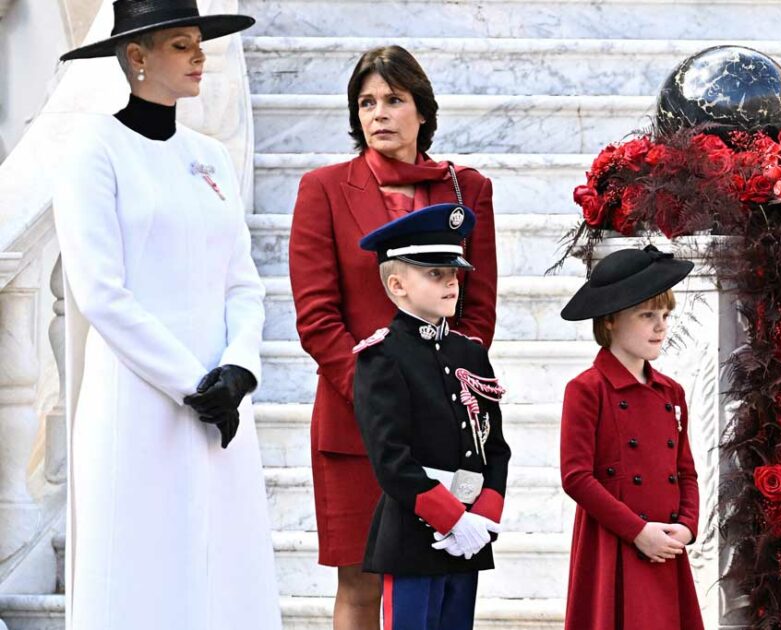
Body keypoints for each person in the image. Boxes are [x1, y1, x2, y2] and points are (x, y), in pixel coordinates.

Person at [54, 1, 280, 628]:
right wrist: (191, 382)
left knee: (224, 565)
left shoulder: (210, 155)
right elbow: (100, 289)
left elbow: (243, 281)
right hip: (137, 394)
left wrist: (237, 369)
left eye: (199, 43)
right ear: (136, 57)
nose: (200, 55)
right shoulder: (93, 148)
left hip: (221, 404)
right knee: (139, 564)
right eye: (182, 44)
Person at [288, 45, 498, 629]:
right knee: (360, 578)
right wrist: (382, 392)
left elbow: (477, 312)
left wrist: (443, 389)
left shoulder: (467, 191)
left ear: (422, 111)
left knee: (438, 578)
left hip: (445, 425)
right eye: (366, 102)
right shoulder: (323, 189)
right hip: (354, 419)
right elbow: (317, 317)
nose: (378, 113)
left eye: (393, 100)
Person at [352, 203, 511, 630]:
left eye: (454, 273)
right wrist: (453, 518)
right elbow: (391, 460)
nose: (450, 282)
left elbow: (495, 446)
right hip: (413, 532)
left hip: (471, 532)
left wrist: (483, 516)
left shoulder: (470, 352)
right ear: (398, 285)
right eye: (434, 273)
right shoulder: (382, 356)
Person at [558, 245, 704, 630]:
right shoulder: (587, 389)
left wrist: (686, 525)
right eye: (646, 315)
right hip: (614, 546)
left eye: (665, 315)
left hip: (666, 547)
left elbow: (686, 472)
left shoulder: (671, 393)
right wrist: (637, 531)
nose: (661, 326)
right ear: (610, 321)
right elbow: (576, 477)